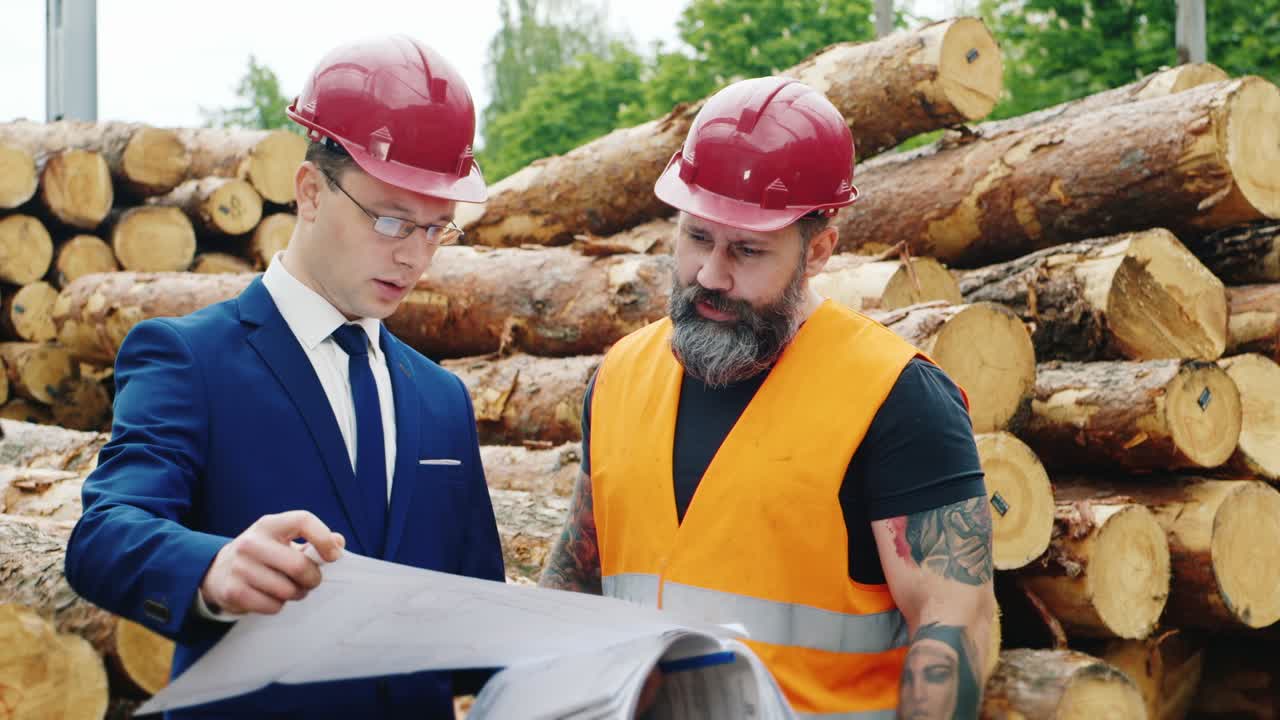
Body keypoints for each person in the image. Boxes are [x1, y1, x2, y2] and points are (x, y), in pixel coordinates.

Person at [64, 35, 504, 719]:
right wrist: (209, 568)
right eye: (391, 219)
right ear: (309, 192)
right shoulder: (190, 359)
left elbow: (474, 630)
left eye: (436, 228)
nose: (415, 256)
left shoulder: (440, 398)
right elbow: (103, 536)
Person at [539, 76, 997, 720]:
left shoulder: (899, 399)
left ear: (820, 249)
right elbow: (576, 576)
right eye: (697, 237)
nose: (710, 275)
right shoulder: (620, 376)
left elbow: (955, 624)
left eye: (747, 251)